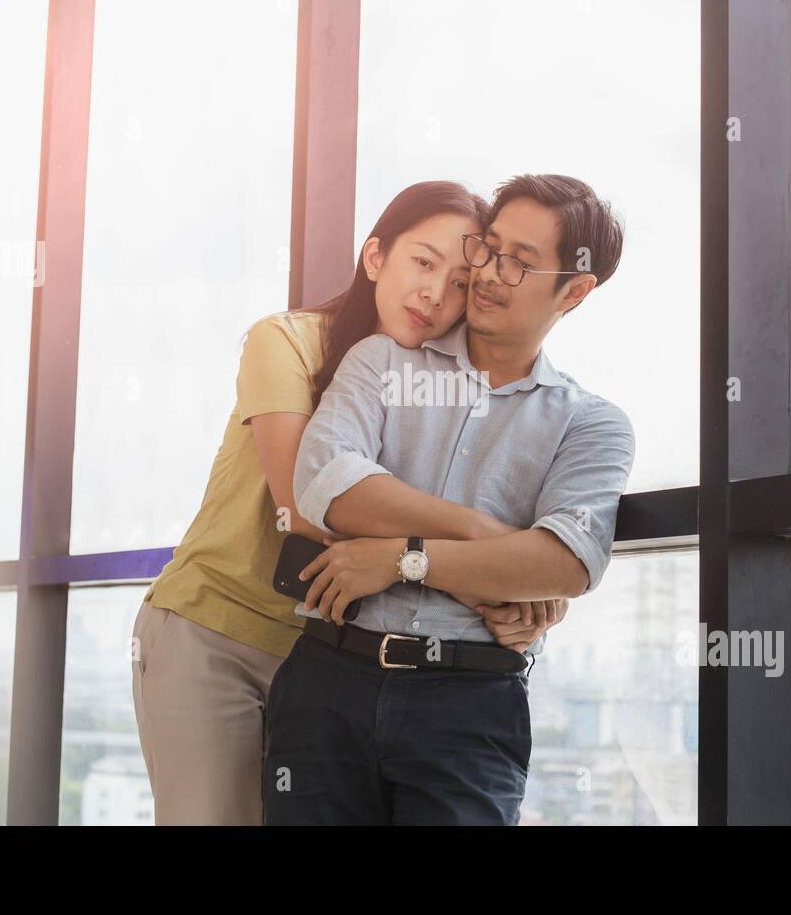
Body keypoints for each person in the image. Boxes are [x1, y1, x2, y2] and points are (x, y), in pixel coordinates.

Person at [130, 180, 570, 825]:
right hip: (215, 630)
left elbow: (415, 537)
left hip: (330, 660)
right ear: (374, 258)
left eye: (458, 282)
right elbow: (310, 509)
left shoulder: (447, 390)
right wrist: (498, 561)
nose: (434, 293)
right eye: (423, 262)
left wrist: (526, 585)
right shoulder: (284, 341)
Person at [263, 174, 635, 825]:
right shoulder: (381, 361)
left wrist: (401, 559)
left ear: (574, 291)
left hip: (470, 706)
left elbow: (566, 564)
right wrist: (498, 546)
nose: (489, 273)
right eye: (487, 249)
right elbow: (324, 482)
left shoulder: (592, 424)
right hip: (328, 682)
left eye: (519, 264)